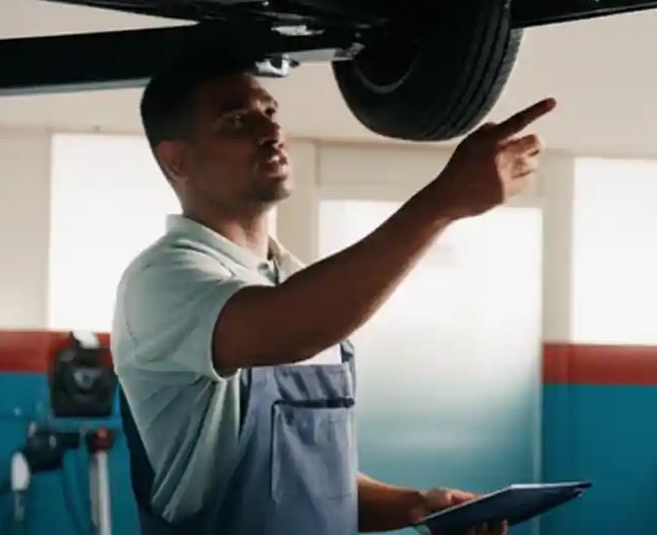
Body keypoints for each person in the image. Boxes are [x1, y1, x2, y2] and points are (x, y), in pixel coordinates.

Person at [112, 49, 556, 535]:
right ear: (177, 160)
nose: (271, 131)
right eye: (237, 121)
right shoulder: (163, 281)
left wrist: (418, 508)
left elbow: (313, 483)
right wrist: (441, 202)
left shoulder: (293, 279)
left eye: (270, 112)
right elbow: (287, 327)